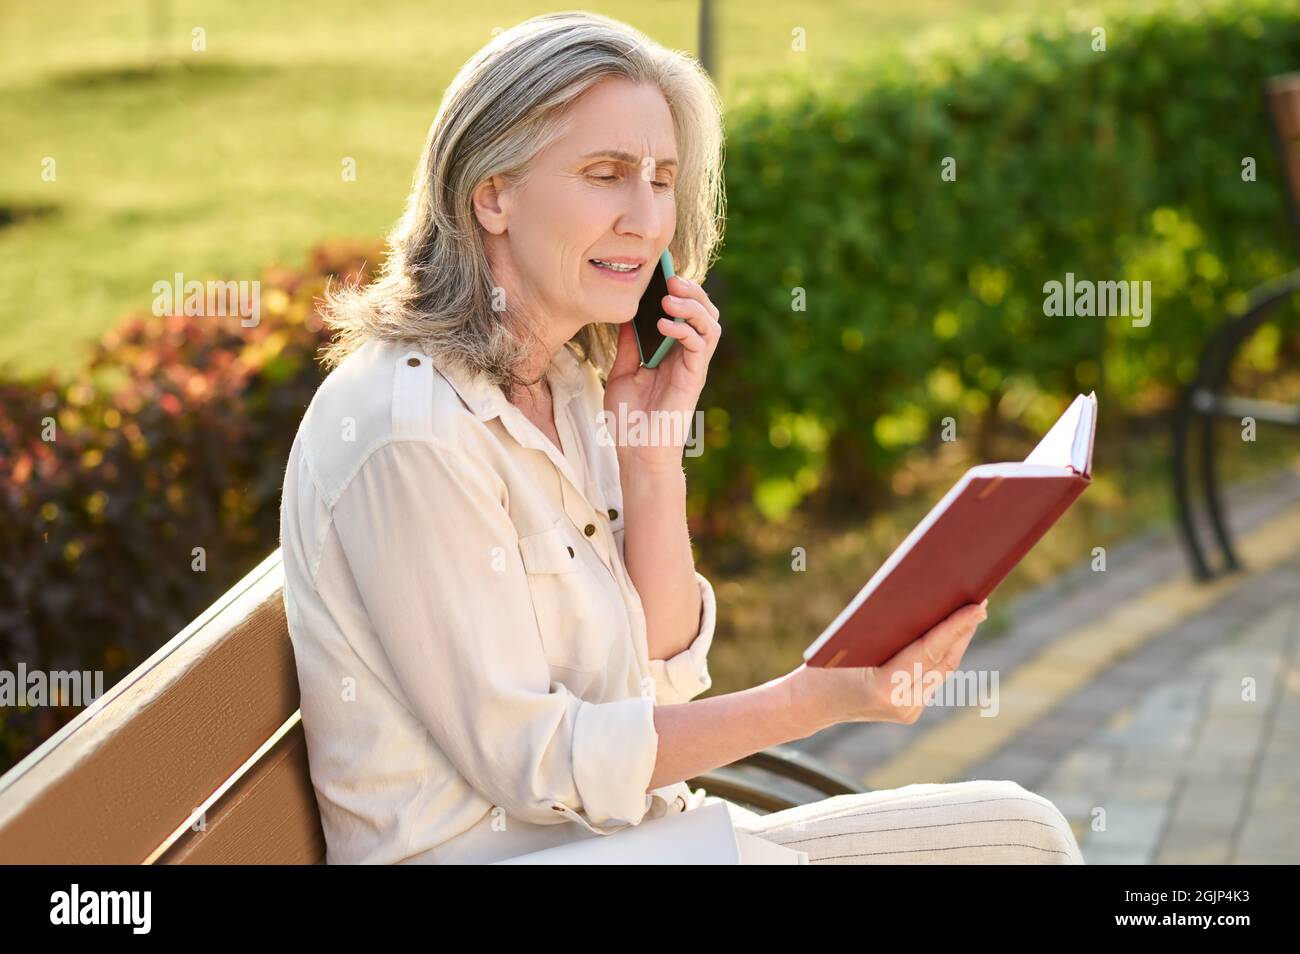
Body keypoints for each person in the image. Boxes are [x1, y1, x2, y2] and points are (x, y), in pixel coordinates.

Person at [278, 11, 1084, 865]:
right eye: (606, 175)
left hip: (634, 842)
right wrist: (817, 699)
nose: (647, 219)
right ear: (492, 195)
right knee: (1020, 852)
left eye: (662, 179)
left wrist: (652, 456)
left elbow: (657, 679)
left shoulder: (564, 381)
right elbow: (538, 765)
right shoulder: (413, 435)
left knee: (1023, 833)